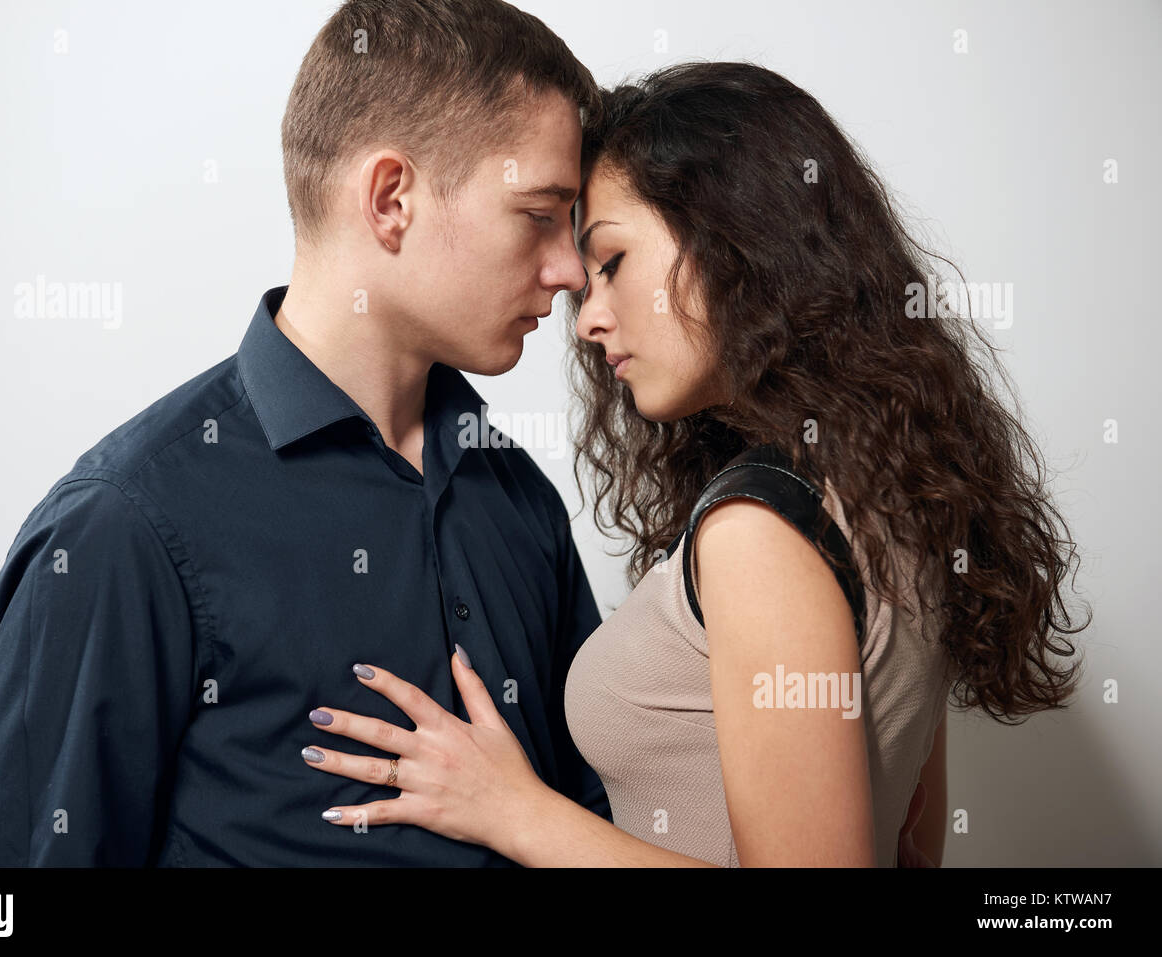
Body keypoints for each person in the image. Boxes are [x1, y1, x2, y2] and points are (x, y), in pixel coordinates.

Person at [302, 61, 1091, 866]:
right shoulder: (902, 492)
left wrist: (513, 811)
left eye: (610, 262)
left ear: (737, 243)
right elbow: (915, 847)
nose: (588, 316)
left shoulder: (760, 532)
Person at [0, 0, 612, 866]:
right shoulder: (122, 526)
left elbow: (587, 822)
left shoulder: (518, 496)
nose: (571, 269)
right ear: (392, 200)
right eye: (541, 214)